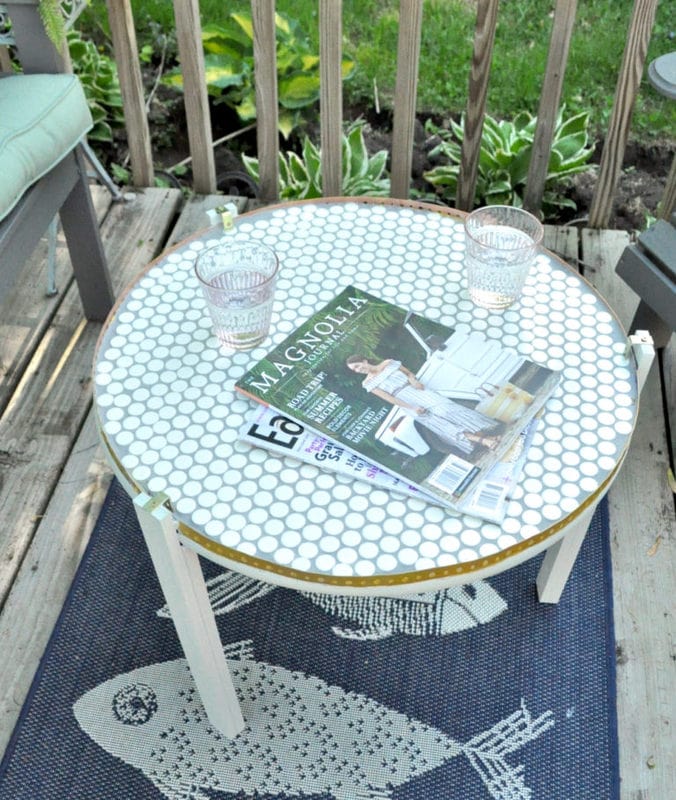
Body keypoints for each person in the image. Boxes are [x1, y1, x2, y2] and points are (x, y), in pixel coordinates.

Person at [345, 355, 504, 456]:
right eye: (354, 370)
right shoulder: (368, 383)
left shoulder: (388, 363)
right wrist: (411, 408)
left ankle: (487, 434)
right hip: (405, 402)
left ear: (364, 360)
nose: (358, 370)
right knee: (441, 425)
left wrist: (414, 380)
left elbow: (408, 373)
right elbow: (390, 399)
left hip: (419, 391)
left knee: (449, 410)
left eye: (358, 366)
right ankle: (485, 440)